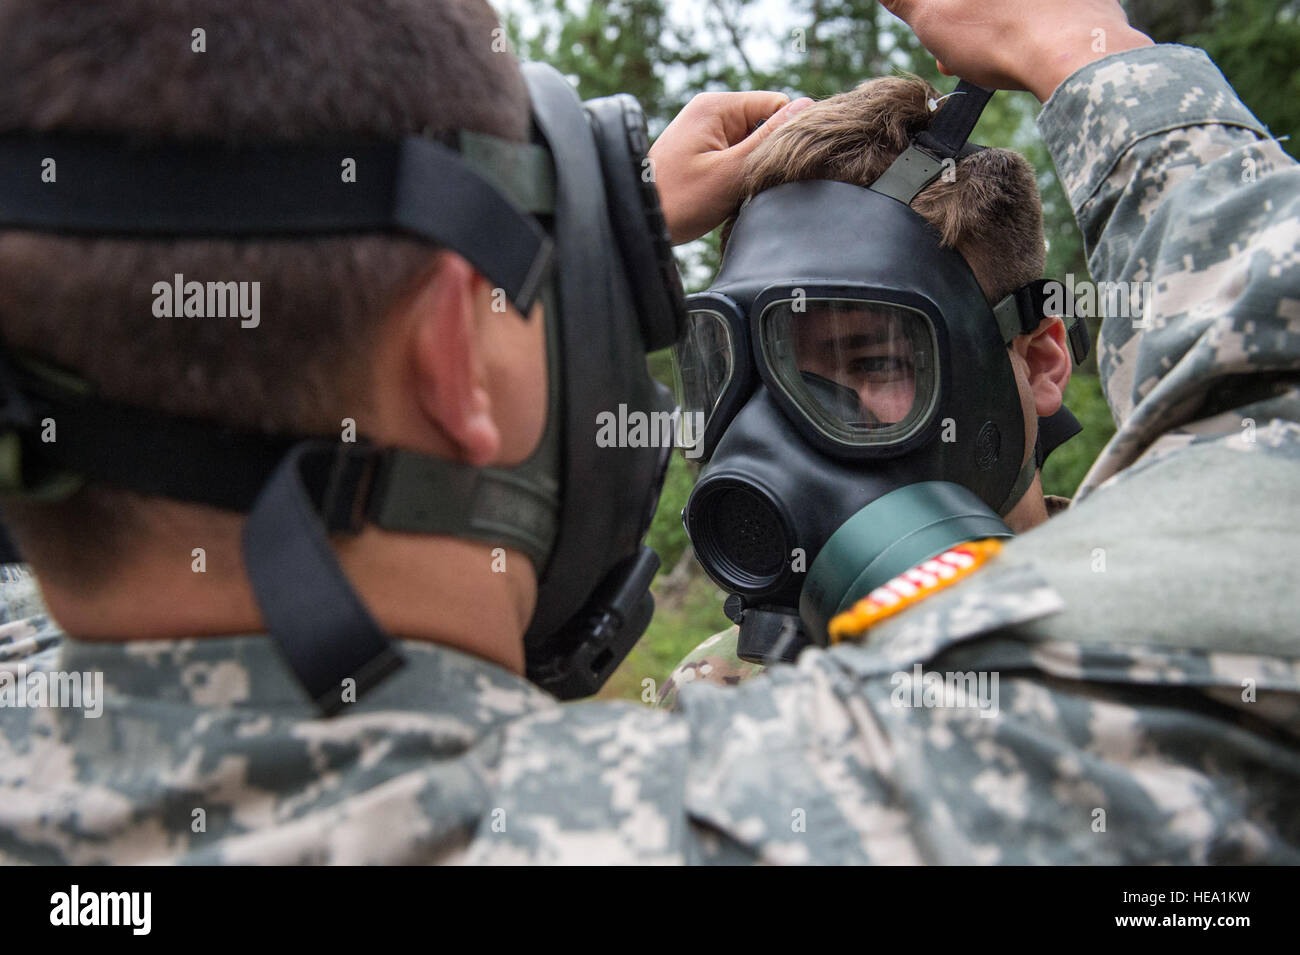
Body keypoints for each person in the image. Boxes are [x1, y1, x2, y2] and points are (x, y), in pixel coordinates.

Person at [1, 0, 1297, 864]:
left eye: (861, 359)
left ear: (1041, 357)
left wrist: (570, 233)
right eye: (726, 362)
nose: (757, 445)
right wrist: (1086, 47)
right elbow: (1267, 486)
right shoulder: (861, 790)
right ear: (458, 353)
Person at [659, 73, 1078, 706]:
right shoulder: (718, 689)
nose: (766, 431)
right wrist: (616, 222)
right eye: (743, 373)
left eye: (874, 362)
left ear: (1040, 361)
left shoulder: (1163, 653)